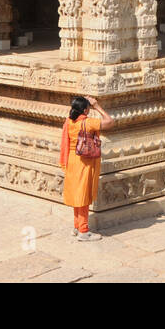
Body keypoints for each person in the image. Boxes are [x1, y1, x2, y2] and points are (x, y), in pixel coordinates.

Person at [58, 94, 113, 241]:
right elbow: (109, 122)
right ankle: (83, 231)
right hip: (84, 162)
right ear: (85, 110)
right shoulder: (88, 123)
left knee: (77, 195)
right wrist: (97, 106)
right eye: (88, 108)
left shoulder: (69, 121)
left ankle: (77, 226)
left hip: (72, 161)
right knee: (83, 196)